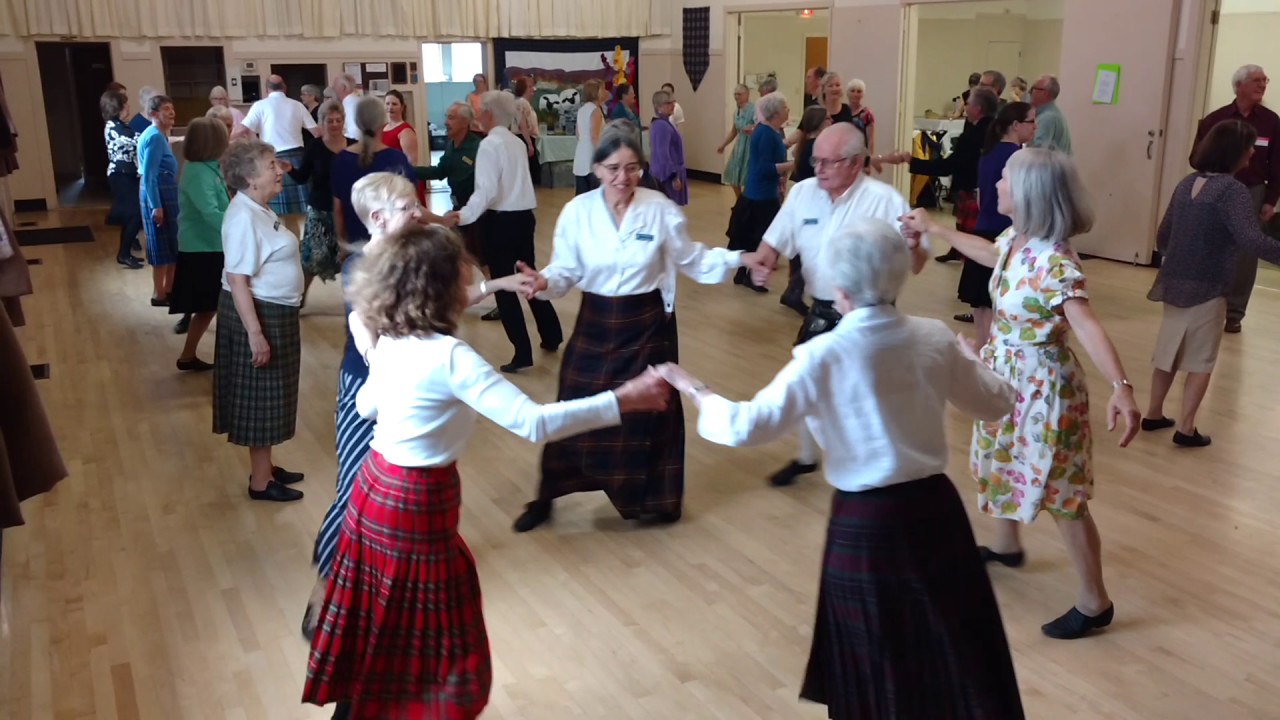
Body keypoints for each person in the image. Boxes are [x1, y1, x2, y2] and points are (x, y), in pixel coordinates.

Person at [657, 218, 1025, 720]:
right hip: (936, 515)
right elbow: (997, 402)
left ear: (840, 289)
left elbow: (746, 426)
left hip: (865, 525)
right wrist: (973, 357)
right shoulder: (934, 337)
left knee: (877, 663)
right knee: (951, 654)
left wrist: (693, 387)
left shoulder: (823, 354)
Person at [302, 223, 671, 720]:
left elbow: (367, 406)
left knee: (382, 621)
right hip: (413, 501)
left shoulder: (396, 338)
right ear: (441, 286)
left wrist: (377, 356)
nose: (470, 279)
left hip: (377, 489)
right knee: (424, 637)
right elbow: (533, 422)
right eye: (463, 273)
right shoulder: (451, 357)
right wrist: (623, 399)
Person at [900, 147, 1142, 639]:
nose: (996, 184)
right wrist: (937, 230)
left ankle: (1095, 601)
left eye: (1005, 178)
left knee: (1061, 492)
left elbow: (1087, 326)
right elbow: (992, 255)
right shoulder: (1017, 238)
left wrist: (1121, 388)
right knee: (1003, 460)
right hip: (1009, 377)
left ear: (1029, 192)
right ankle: (1007, 544)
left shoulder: (1055, 261)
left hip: (1045, 390)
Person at [301, 172, 541, 643]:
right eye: (407, 207)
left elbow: (443, 300)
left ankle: (379, 595)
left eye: (415, 204)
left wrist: (502, 283)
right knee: (355, 489)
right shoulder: (361, 266)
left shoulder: (408, 255)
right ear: (377, 218)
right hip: (368, 388)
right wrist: (384, 364)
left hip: (401, 386)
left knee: (384, 497)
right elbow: (366, 331)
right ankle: (324, 591)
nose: (417, 212)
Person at [510, 125, 772, 533]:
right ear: (597, 169)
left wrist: (741, 258)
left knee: (653, 412)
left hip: (647, 323)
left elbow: (692, 258)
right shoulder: (578, 212)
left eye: (632, 168)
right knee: (574, 403)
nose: (623, 177)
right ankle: (548, 495)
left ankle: (656, 499)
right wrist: (544, 281)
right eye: (613, 168)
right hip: (597, 321)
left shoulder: (659, 208)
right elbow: (565, 270)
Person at [756, 123, 927, 488]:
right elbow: (773, 241)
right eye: (815, 160)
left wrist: (914, 246)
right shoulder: (802, 193)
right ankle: (806, 456)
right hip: (820, 307)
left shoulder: (885, 201)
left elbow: (917, 261)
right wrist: (763, 261)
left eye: (828, 162)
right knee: (808, 378)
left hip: (870, 312)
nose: (818, 169)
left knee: (869, 391)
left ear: (855, 162)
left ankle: (880, 462)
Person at [1143, 120, 1280, 447]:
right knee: (1201, 359)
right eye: (1249, 146)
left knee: (1167, 351)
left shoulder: (1187, 183)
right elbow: (1250, 239)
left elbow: (1164, 235)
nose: (1252, 152)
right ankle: (1186, 428)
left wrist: (1182, 255)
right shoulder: (1232, 190)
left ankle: (1153, 413)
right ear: (1236, 152)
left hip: (1174, 281)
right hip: (1208, 284)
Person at [213, 140, 308, 503]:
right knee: (261, 399)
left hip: (274, 310)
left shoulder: (258, 208)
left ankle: (264, 467)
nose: (279, 170)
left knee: (273, 395)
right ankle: (261, 482)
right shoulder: (242, 216)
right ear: (250, 178)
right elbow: (237, 279)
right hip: (259, 313)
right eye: (271, 165)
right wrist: (255, 333)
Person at [446, 90, 562, 373]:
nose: (477, 114)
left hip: (500, 222)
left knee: (504, 286)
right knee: (529, 276)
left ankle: (522, 352)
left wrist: (462, 215)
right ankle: (551, 334)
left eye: (480, 110)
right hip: (524, 218)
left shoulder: (489, 145)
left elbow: (486, 191)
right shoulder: (517, 142)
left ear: (488, 113)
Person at [1191, 63, 1279, 334]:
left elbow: (1278, 164)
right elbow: (1195, 158)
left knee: (1246, 251)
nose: (1262, 85)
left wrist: (1271, 200)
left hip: (1252, 191)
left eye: (1265, 80)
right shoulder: (1215, 120)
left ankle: (1234, 314)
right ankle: (1205, 305)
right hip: (1216, 188)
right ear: (1239, 85)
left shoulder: (1271, 121)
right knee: (1211, 244)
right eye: (1256, 80)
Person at [170, 118, 230, 372]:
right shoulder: (198, 172)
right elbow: (210, 212)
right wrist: (238, 228)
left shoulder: (209, 168)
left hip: (212, 245)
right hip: (202, 249)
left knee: (210, 307)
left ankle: (188, 355)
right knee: (209, 306)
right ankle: (189, 355)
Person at [284, 98, 354, 299]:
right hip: (320, 210)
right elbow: (302, 177)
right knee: (312, 259)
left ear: (343, 121)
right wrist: (290, 169)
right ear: (322, 122)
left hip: (348, 212)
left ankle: (354, 301)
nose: (334, 124)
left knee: (350, 258)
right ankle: (299, 298)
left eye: (338, 120)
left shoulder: (354, 146)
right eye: (330, 121)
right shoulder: (314, 147)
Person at [725, 92, 792, 293]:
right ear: (776, 112)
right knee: (761, 238)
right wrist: (792, 165)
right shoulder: (765, 134)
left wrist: (781, 178)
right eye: (785, 107)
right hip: (761, 196)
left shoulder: (770, 131)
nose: (788, 110)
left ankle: (743, 274)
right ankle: (751, 277)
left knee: (751, 236)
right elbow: (764, 168)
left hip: (761, 193)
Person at [100, 88, 144, 269]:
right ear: (117, 108)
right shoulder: (114, 127)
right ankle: (124, 253)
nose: (129, 109)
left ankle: (124, 253)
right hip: (121, 175)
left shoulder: (119, 125)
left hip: (127, 174)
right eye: (126, 106)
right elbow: (139, 139)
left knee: (131, 214)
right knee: (135, 213)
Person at [647, 90, 687, 205]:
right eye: (668, 103)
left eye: (673, 102)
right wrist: (673, 176)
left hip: (666, 172)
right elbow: (663, 154)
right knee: (669, 206)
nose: (673, 105)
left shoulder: (663, 124)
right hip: (666, 175)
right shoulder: (661, 126)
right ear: (659, 107)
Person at [1028, 75, 1072, 154]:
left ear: (1045, 93)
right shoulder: (1054, 113)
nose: (1029, 92)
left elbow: (1037, 152)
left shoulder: (1047, 118)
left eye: (1033, 89)